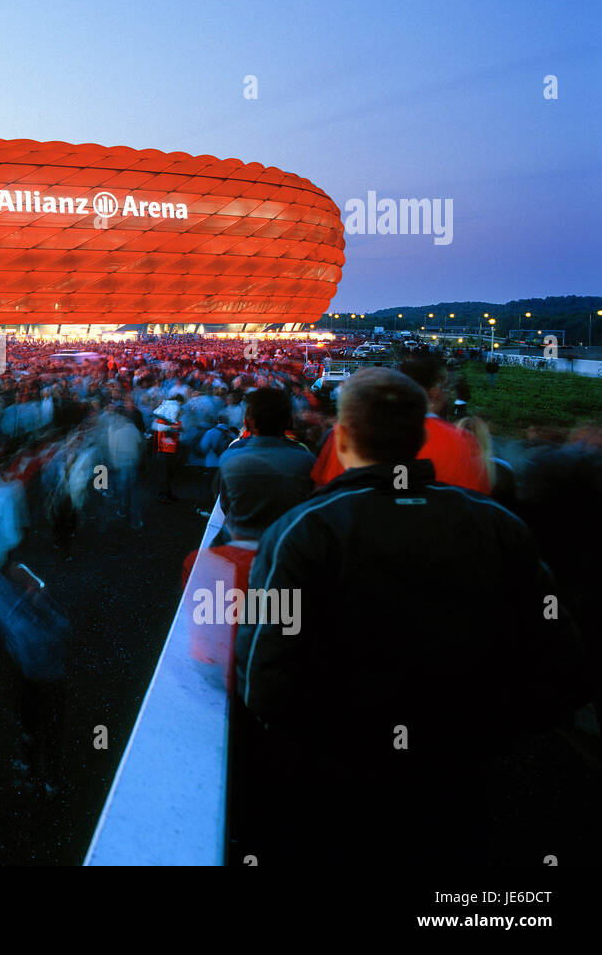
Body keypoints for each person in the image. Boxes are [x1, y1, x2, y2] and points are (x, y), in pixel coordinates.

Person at [234, 368, 588, 865]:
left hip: (337, 769)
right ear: (422, 435)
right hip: (458, 767)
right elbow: (560, 655)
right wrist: (498, 729)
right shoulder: (497, 524)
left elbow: (262, 675)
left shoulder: (303, 531)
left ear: (343, 436)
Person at [310, 357, 490, 493]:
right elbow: (475, 497)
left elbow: (324, 489)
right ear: (434, 391)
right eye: (445, 389)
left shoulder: (348, 433)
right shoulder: (461, 441)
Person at [216, 388, 313, 543]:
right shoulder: (306, 460)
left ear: (247, 422)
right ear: (289, 421)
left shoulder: (230, 456)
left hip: (239, 543)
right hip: (286, 544)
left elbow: (225, 504)